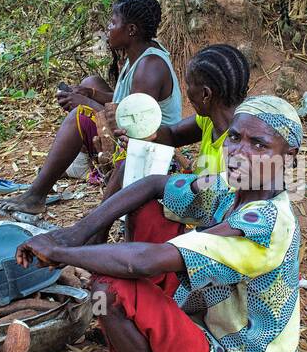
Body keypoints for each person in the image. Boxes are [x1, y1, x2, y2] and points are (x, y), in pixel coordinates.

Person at [15, 96, 303, 352]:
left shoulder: (266, 225)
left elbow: (144, 264)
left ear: (289, 156)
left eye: (258, 144)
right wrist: (76, 232)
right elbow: (153, 185)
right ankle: (139, 330)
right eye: (234, 138)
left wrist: (60, 252)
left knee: (112, 288)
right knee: (155, 205)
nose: (238, 152)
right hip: (205, 326)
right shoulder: (231, 188)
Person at [0, 0, 181, 214]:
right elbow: (124, 102)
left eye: (113, 22)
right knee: (90, 82)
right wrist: (90, 92)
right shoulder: (139, 54)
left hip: (150, 150)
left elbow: (133, 127)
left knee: (80, 115)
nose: (108, 28)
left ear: (131, 30)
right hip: (132, 133)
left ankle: (36, 196)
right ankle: (81, 163)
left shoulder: (149, 67)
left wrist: (85, 102)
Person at [103, 43, 250, 254]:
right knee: (130, 167)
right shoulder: (210, 120)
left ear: (206, 94)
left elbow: (228, 207)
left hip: (217, 224)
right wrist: (146, 135)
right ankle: (102, 237)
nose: (186, 90)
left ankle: (122, 251)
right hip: (201, 203)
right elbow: (173, 135)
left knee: (144, 206)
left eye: (188, 84)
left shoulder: (241, 144)